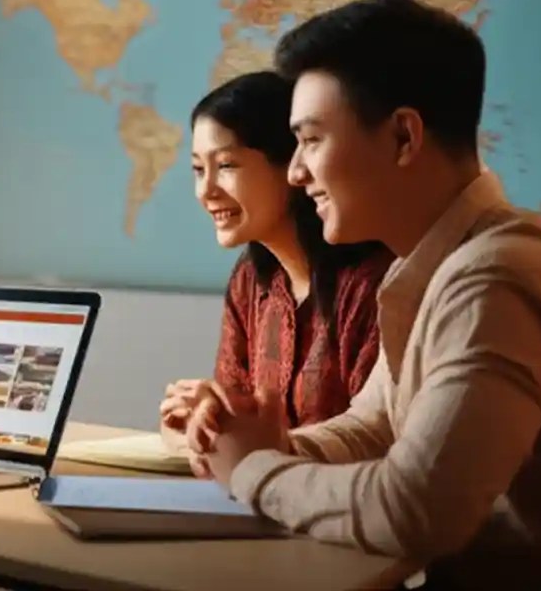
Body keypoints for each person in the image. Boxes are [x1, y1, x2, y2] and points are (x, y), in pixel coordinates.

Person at [196, 0, 541, 590]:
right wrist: (267, 445)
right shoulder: (439, 265)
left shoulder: (494, 279)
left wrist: (255, 471)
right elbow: (373, 426)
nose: (297, 172)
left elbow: (414, 509)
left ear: (404, 137)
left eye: (310, 140)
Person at [159, 72, 393, 477]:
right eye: (199, 169)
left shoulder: (373, 284)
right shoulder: (251, 280)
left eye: (227, 164)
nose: (206, 190)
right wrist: (200, 419)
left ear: (293, 163)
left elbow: (379, 446)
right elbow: (232, 421)